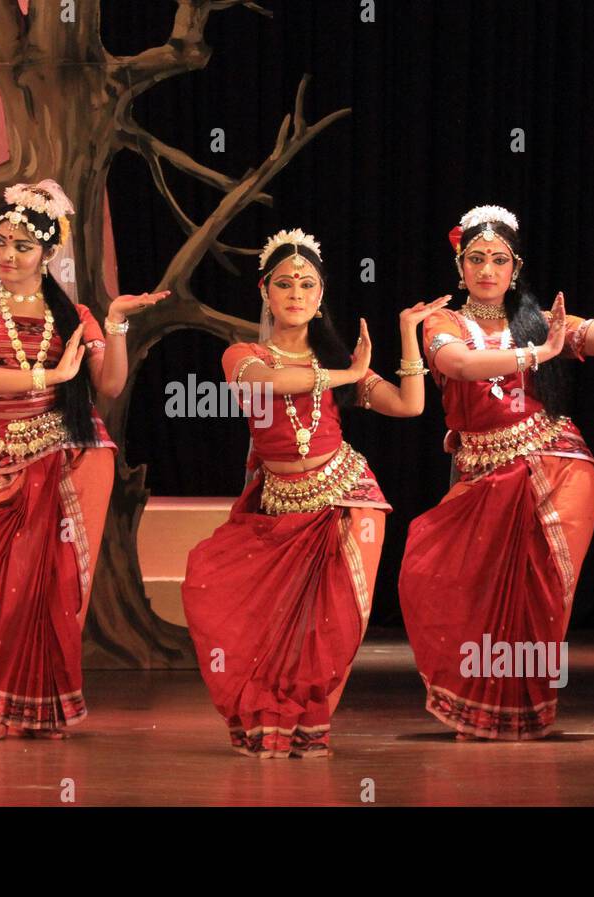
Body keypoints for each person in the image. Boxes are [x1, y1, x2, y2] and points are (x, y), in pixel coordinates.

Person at [0, 180, 168, 740]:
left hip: (75, 457)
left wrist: (116, 319)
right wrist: (51, 375)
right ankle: (3, 700)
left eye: (22, 246)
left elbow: (111, 384)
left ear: (49, 254)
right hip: (3, 454)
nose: (6, 254)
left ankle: (37, 708)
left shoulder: (74, 314)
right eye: (1, 241)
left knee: (52, 589)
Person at [399, 204, 594, 740]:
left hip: (557, 466)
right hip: (480, 473)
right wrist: (537, 354)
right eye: (477, 259)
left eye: (499, 260)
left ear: (515, 267)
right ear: (461, 264)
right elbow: (458, 366)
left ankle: (524, 705)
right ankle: (478, 702)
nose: (488, 270)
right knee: (454, 586)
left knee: (541, 594)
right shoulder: (443, 321)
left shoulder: (541, 320)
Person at [181, 227, 440, 758]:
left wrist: (407, 332)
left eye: (307, 285)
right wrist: (347, 373)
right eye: (284, 284)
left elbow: (409, 405)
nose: (295, 293)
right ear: (264, 292)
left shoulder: (343, 363)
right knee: (259, 617)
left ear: (321, 298)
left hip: (346, 498)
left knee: (333, 620)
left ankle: (310, 724)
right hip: (278, 501)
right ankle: (273, 720)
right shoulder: (244, 355)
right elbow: (268, 385)